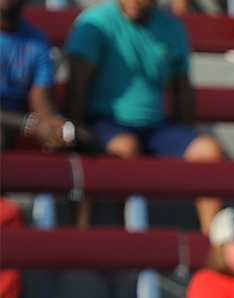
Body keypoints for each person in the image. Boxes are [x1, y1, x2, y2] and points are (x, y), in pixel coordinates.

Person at [65, 0, 225, 233]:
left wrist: (186, 131)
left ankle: (213, 245)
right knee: (125, 148)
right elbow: (77, 87)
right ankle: (124, 241)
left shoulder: (173, 28)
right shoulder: (95, 23)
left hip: (156, 127)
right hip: (104, 121)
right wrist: (77, 140)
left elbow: (182, 89)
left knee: (208, 150)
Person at [1, 0, 77, 151]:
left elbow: (41, 98)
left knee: (81, 138)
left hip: (16, 118)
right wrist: (30, 124)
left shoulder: (37, 40)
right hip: (13, 123)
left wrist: (52, 123)